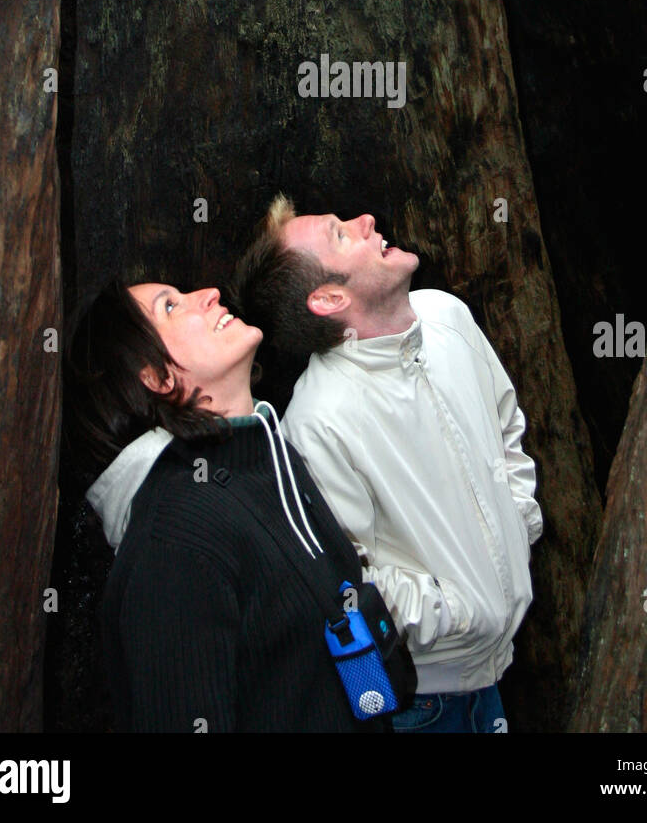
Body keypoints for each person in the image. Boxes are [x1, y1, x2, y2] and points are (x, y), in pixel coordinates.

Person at [232, 197, 543, 734]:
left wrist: (520, 521)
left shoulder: (446, 316)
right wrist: (457, 613)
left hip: (497, 675)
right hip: (422, 706)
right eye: (340, 234)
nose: (365, 220)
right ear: (329, 298)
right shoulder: (317, 421)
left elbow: (505, 423)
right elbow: (346, 578)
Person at [63, 276, 398, 733]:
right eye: (170, 307)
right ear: (157, 378)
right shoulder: (174, 541)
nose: (209, 294)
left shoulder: (266, 460)